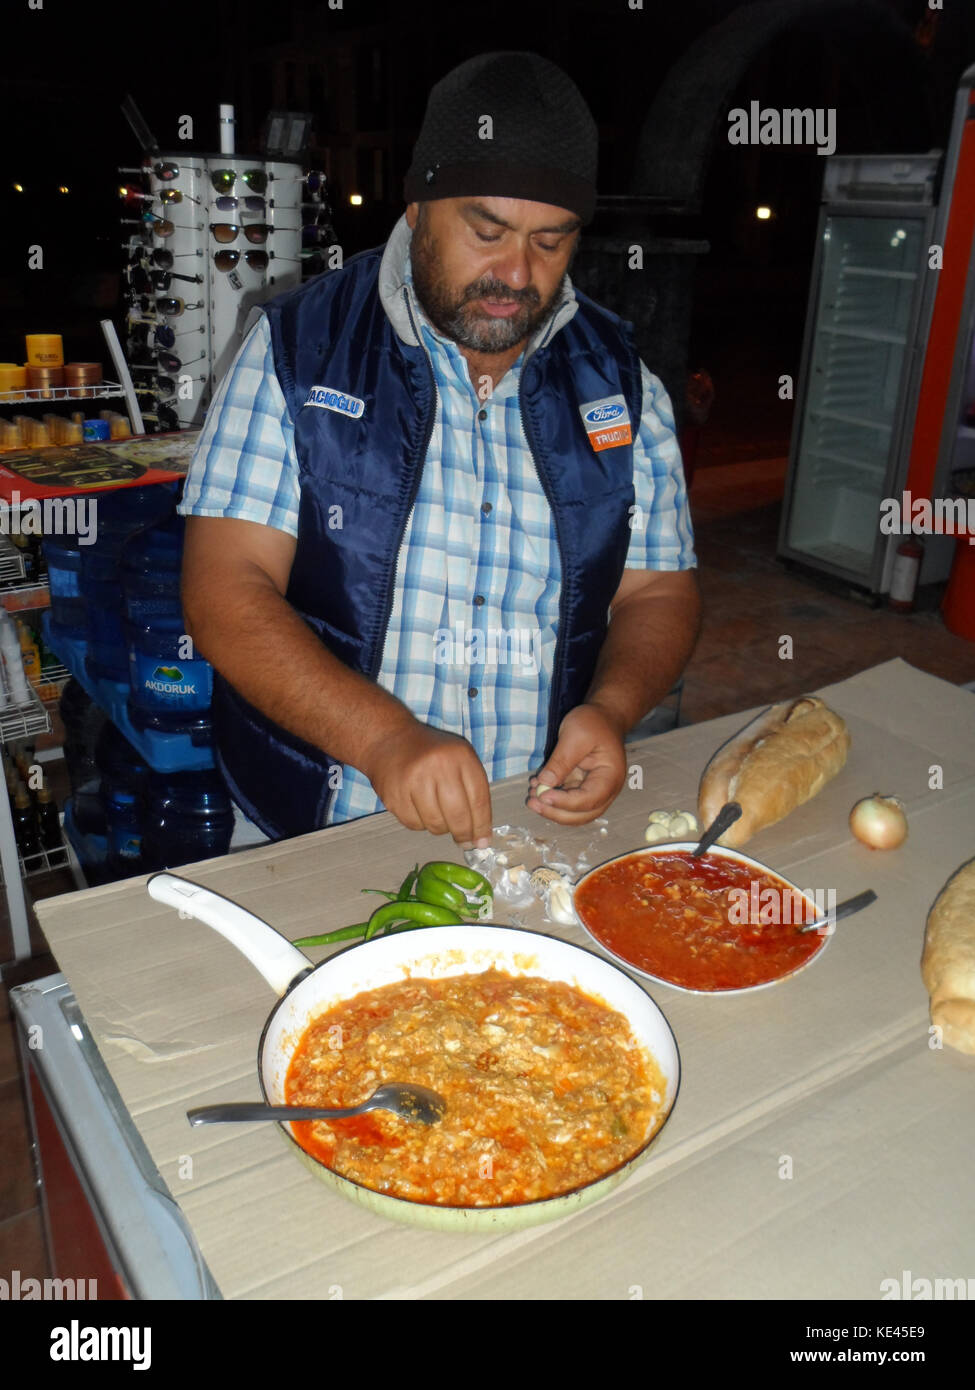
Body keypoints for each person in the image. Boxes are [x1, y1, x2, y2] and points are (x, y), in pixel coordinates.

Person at [179, 51, 700, 849]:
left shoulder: (621, 384)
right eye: (485, 232)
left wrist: (611, 709)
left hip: (537, 821)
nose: (516, 273)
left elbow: (657, 593)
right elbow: (224, 591)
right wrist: (383, 738)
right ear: (418, 206)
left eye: (551, 242)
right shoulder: (296, 350)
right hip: (324, 817)